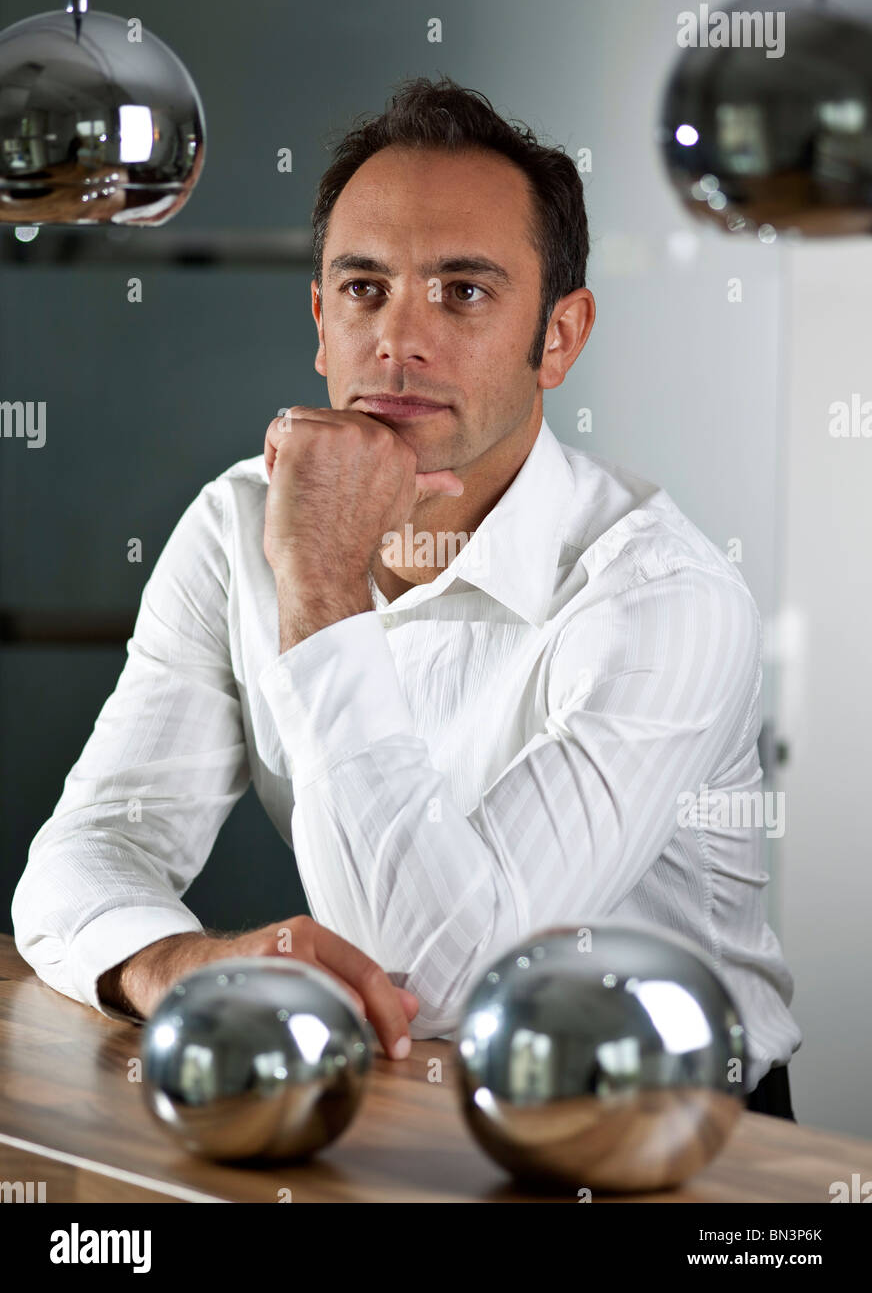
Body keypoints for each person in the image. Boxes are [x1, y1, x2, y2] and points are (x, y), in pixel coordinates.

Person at [12, 74, 801, 1116]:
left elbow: (436, 973)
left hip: (680, 1133)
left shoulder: (665, 596)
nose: (398, 338)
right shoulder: (233, 522)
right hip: (404, 1105)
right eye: (363, 287)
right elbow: (86, 852)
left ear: (557, 337)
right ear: (319, 320)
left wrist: (323, 587)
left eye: (462, 292)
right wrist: (175, 961)